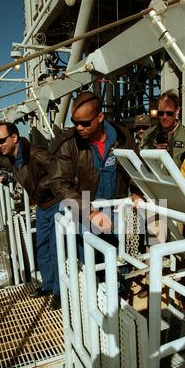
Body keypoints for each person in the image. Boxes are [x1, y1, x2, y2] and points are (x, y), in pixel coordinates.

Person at [49, 92, 140, 259]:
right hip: (84, 215)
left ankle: (120, 284)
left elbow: (135, 167)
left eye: (84, 123)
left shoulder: (122, 137)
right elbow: (59, 182)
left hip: (116, 211)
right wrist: (89, 212)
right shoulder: (68, 144)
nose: (79, 128)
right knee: (90, 266)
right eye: (75, 123)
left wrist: (137, 192)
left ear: (100, 117)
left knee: (120, 261)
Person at [0, 120, 62, 310]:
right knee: (42, 247)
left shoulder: (36, 152)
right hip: (41, 206)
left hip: (55, 204)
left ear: (14, 137)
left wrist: (43, 187)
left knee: (56, 250)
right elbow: (8, 162)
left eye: (1, 141)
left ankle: (60, 293)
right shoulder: (13, 156)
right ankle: (48, 285)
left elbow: (59, 170)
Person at [140, 89, 185, 166]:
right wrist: (155, 154)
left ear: (177, 111)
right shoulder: (148, 135)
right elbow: (141, 163)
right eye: (161, 113)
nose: (164, 117)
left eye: (169, 113)